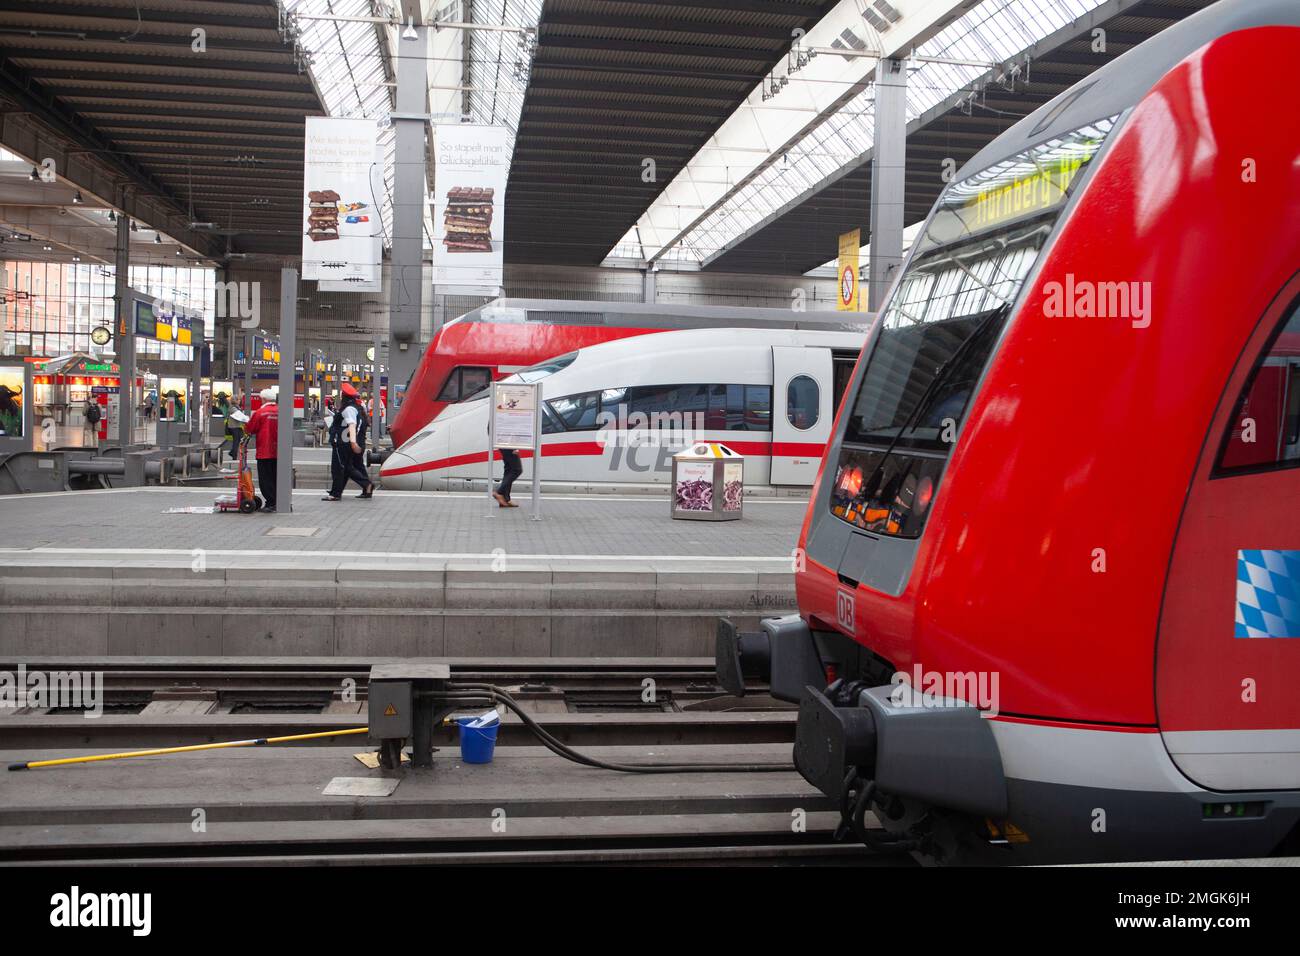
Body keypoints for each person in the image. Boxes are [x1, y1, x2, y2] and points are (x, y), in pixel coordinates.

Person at [323, 382, 374, 501]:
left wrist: (353, 442)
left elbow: (352, 425)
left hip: (343, 442)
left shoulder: (348, 409)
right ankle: (339, 491)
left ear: (344, 397)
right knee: (354, 466)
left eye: (342, 395)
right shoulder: (358, 408)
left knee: (341, 467)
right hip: (353, 441)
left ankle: (365, 485)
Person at [243, 388, 280, 513]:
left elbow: (250, 428)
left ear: (264, 399)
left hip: (265, 451)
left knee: (266, 479)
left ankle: (271, 503)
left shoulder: (260, 412)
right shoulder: (281, 410)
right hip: (280, 451)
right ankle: (280, 501)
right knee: (277, 477)